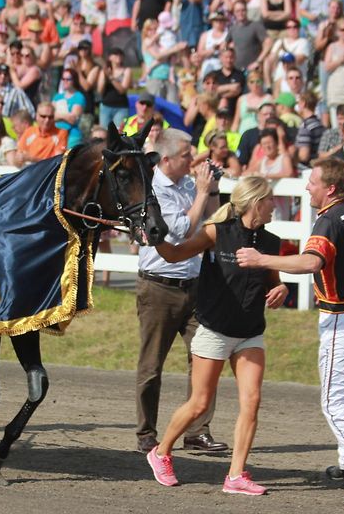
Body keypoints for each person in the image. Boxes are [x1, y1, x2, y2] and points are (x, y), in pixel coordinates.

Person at [236, 158, 344, 503]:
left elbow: (312, 262)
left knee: (334, 402)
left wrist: (261, 259)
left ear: (330, 188)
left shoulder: (328, 220)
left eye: (312, 182)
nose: (307, 187)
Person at [144, 176, 286, 495]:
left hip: (250, 332)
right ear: (254, 203)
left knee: (252, 401)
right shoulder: (216, 233)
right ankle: (161, 452)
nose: (274, 206)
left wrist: (280, 289)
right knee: (199, 403)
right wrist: (152, 237)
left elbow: (273, 281)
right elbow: (174, 255)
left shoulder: (270, 242)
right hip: (215, 331)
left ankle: (236, 475)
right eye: (270, 201)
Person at [136, 127, 228, 455]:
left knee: (206, 358)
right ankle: (146, 433)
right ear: (167, 159)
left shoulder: (190, 184)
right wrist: (202, 192)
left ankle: (197, 431)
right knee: (151, 364)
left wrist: (212, 189)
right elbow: (180, 231)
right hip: (159, 286)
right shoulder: (152, 191)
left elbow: (215, 220)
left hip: (195, 284)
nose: (194, 159)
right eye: (187, 155)